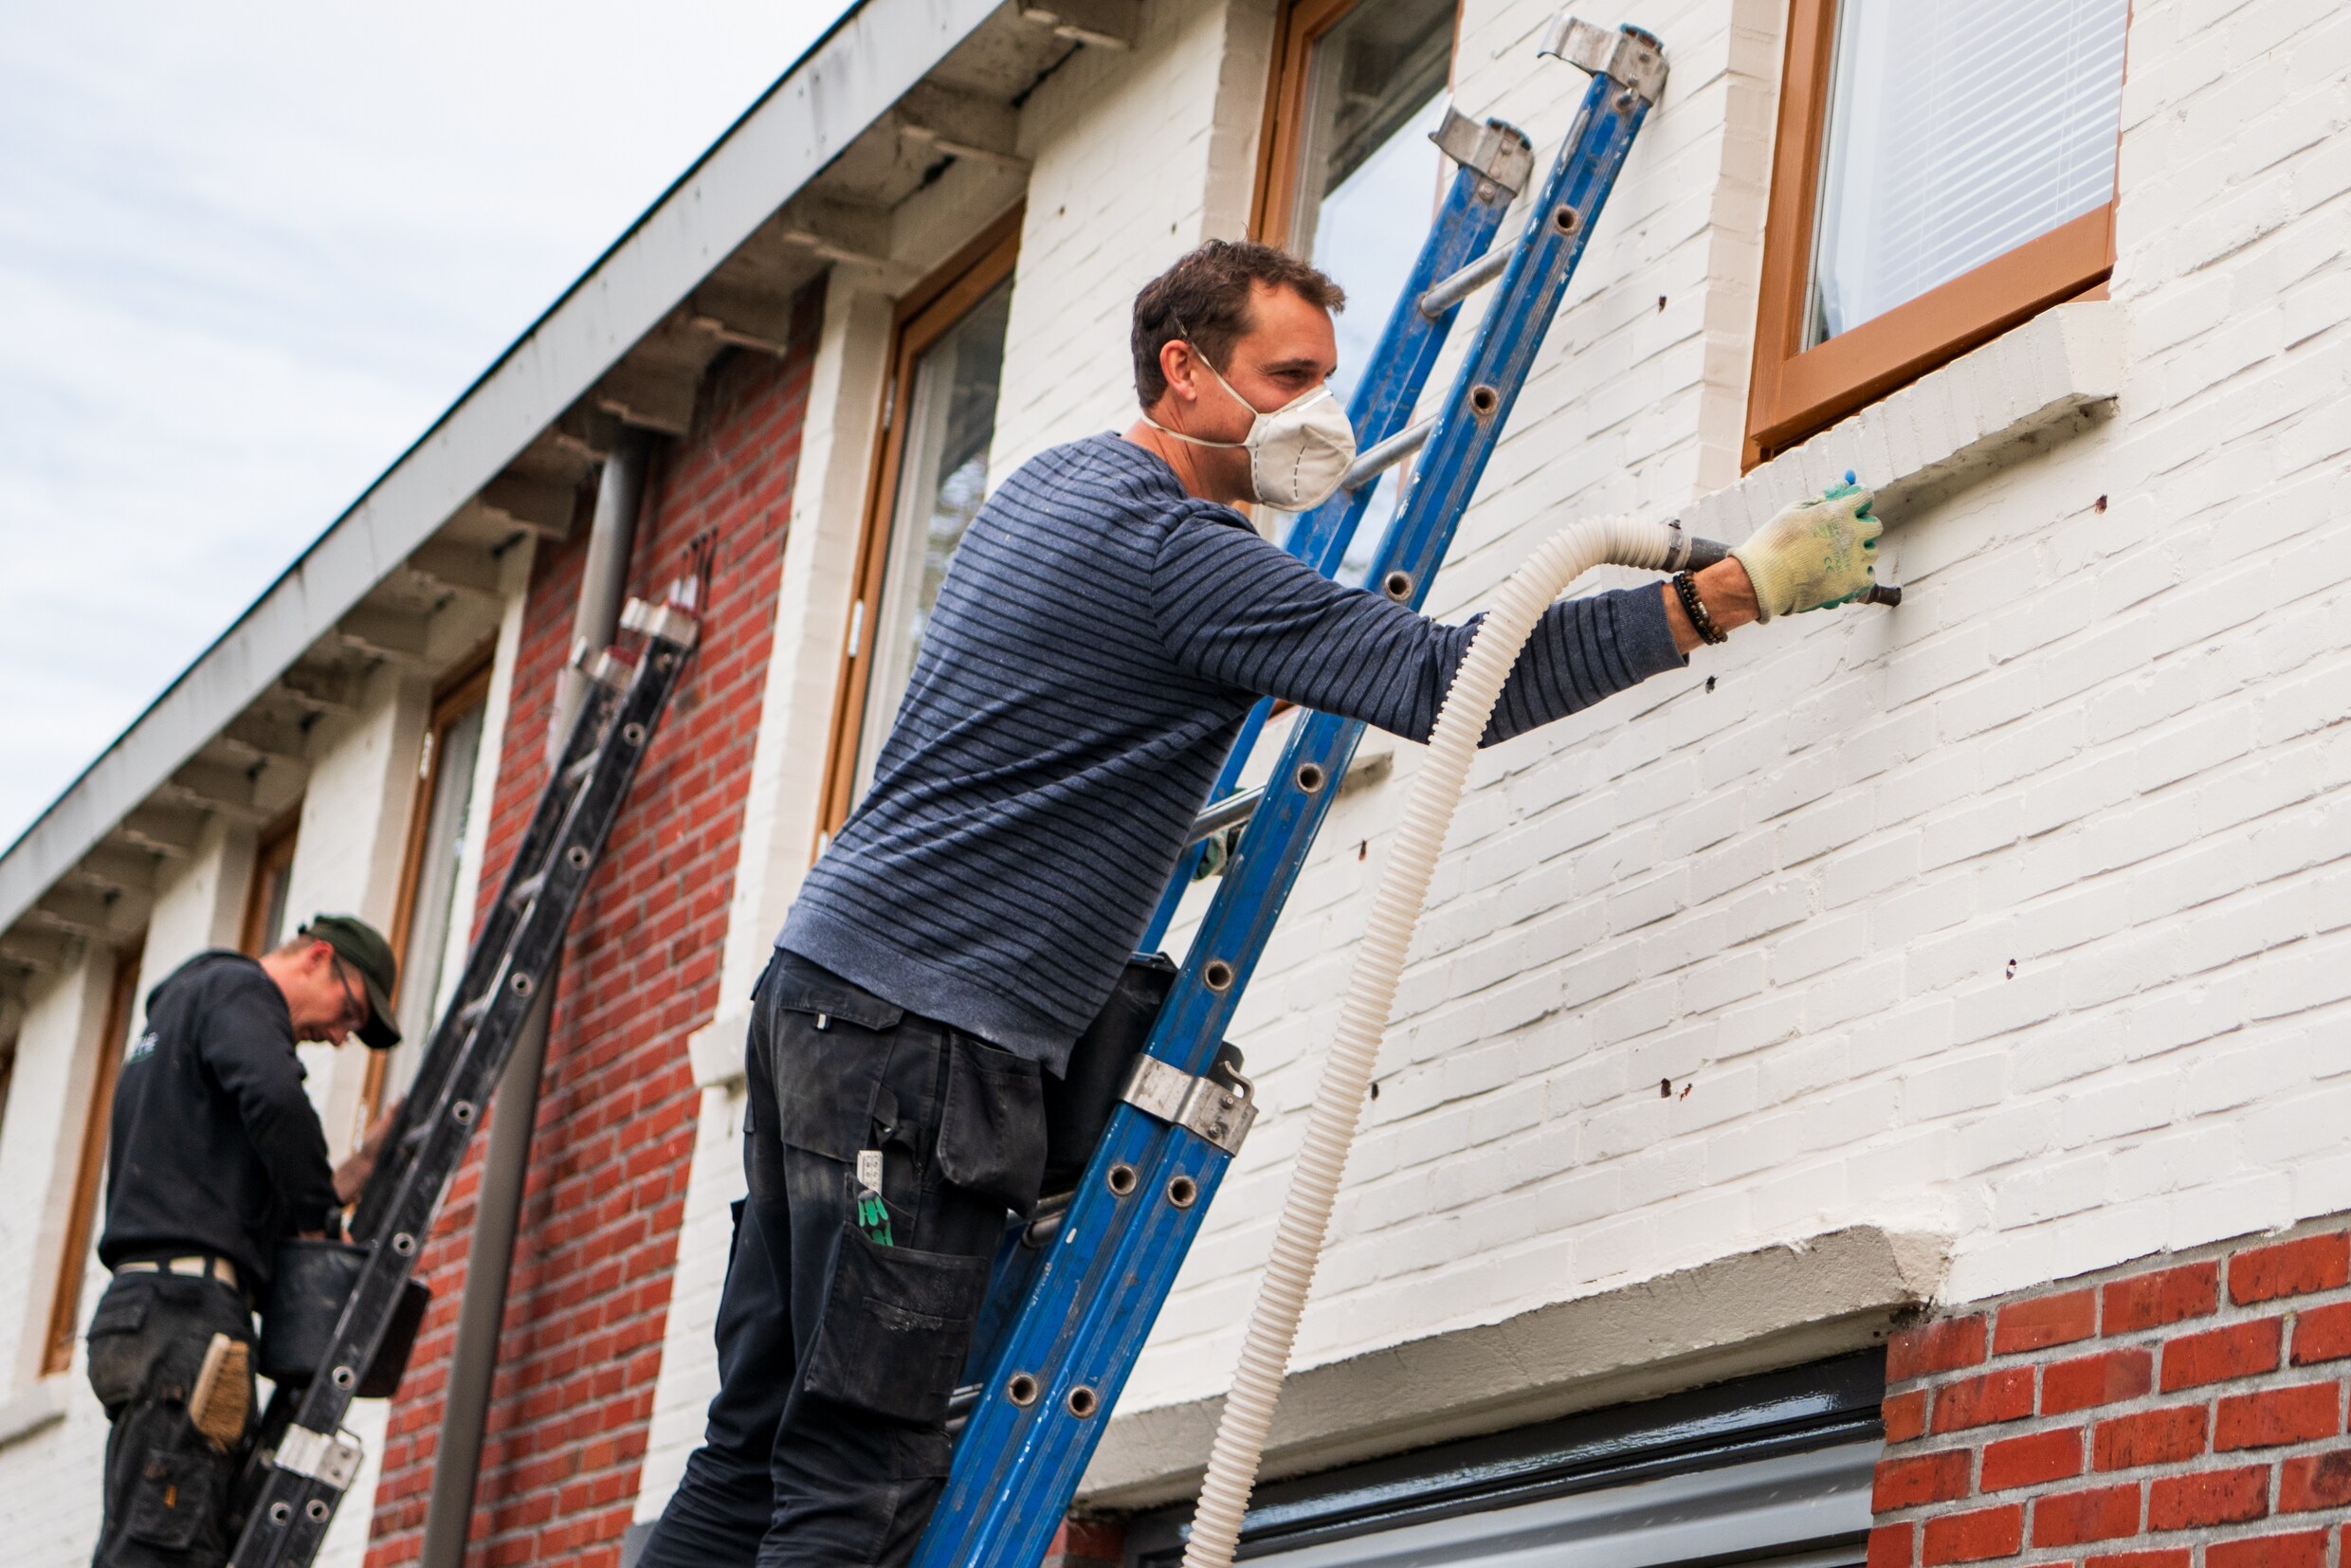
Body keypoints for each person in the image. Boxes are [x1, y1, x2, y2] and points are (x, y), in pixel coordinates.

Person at [638, 240, 1882, 1568]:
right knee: (858, 1466)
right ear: (1187, 371)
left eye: (1330, 382)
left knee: (751, 1441)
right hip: (919, 1047)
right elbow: (1452, 682)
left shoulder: (1054, 487)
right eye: (1289, 378)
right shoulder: (1180, 556)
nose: (1321, 418)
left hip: (822, 1003)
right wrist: (1721, 597)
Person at [85, 915, 404, 1568]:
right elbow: (276, 1102)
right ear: (318, 959)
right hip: (185, 1316)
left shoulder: (188, 1016)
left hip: (151, 1312)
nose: (342, 1037)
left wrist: (358, 1171)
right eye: (351, 1012)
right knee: (164, 1552)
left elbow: (244, 1183)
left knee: (171, 1535)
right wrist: (321, 1219)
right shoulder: (238, 990)